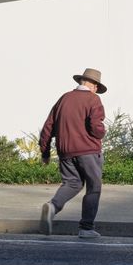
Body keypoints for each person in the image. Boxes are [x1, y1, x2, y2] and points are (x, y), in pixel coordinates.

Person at [38, 68, 108, 238]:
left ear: (80, 81)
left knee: (72, 184)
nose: (96, 90)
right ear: (94, 85)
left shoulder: (64, 98)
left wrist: (45, 152)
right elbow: (95, 127)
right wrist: (101, 132)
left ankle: (53, 206)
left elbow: (48, 126)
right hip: (88, 150)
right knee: (94, 187)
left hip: (65, 151)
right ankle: (86, 228)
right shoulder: (93, 99)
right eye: (96, 86)